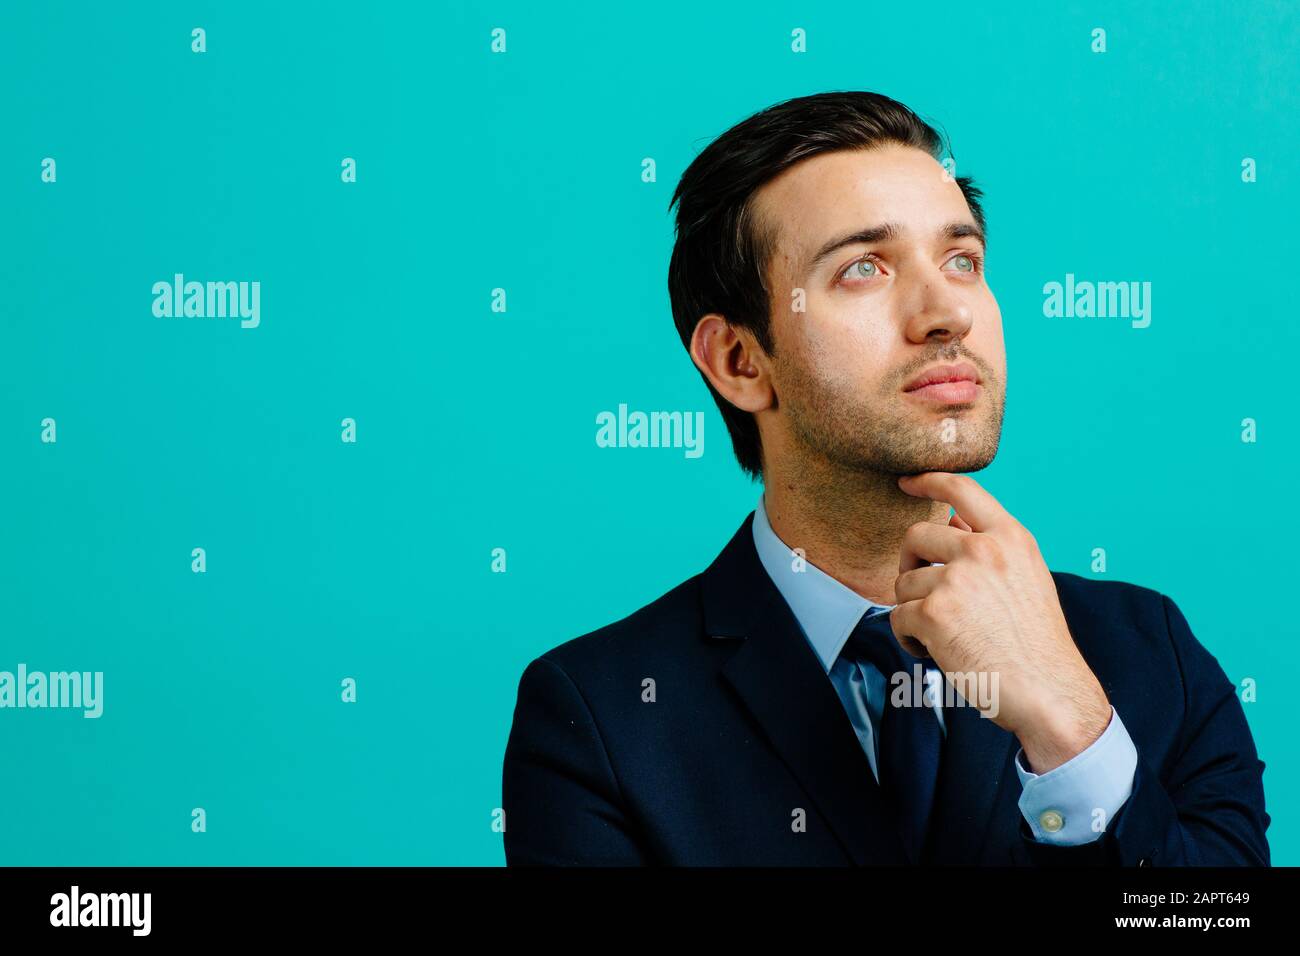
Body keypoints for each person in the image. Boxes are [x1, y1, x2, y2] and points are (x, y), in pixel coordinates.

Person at [501, 91, 1270, 866]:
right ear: (739, 361)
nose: (947, 314)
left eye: (961, 260)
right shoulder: (602, 716)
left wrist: (1072, 733)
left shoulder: (1147, 653)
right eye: (863, 268)